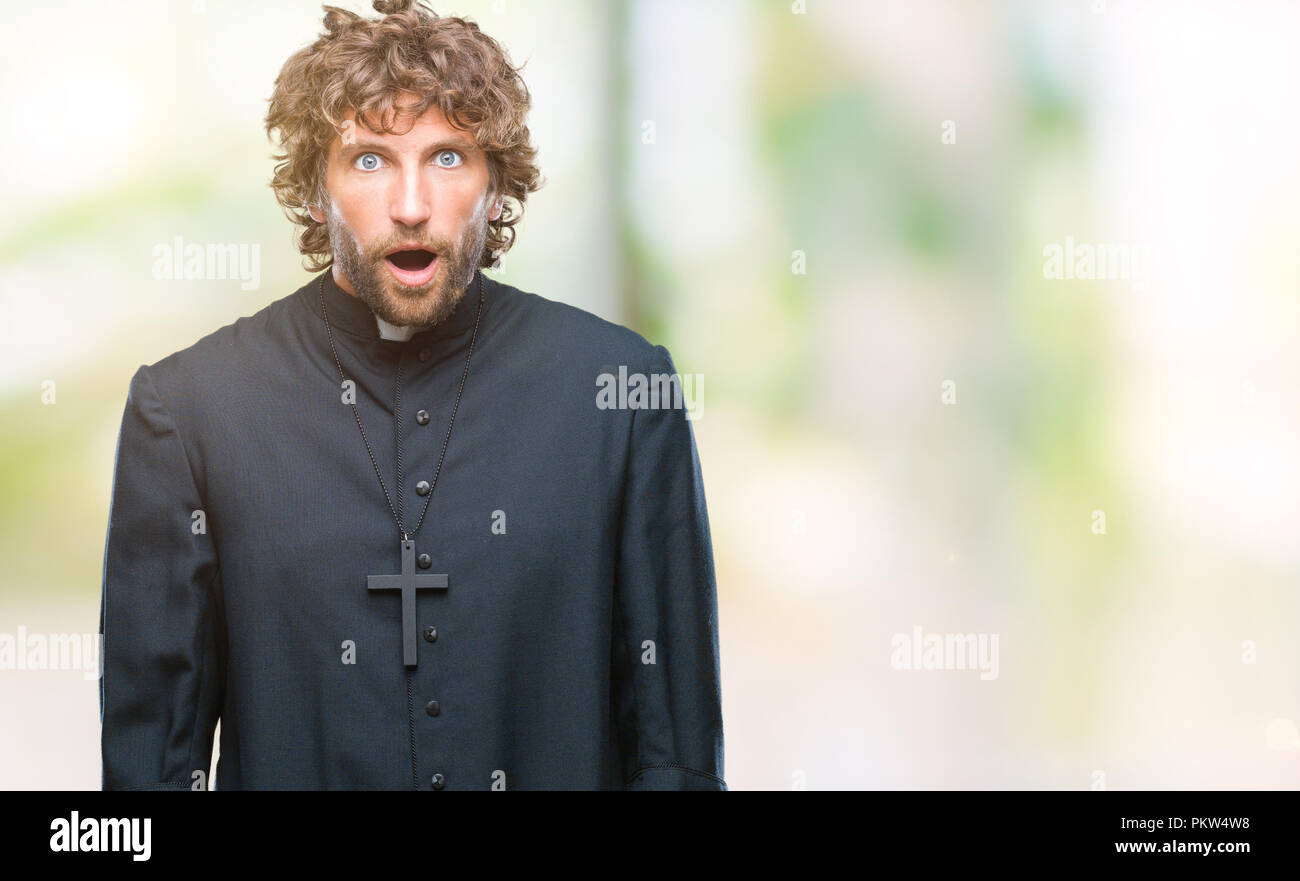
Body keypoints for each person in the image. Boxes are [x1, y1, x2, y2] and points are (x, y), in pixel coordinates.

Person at [98, 0, 725, 791]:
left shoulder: (622, 395)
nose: (410, 205)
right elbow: (146, 778)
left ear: (497, 184)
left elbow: (677, 760)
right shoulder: (187, 411)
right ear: (314, 186)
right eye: (368, 160)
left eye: (449, 158)